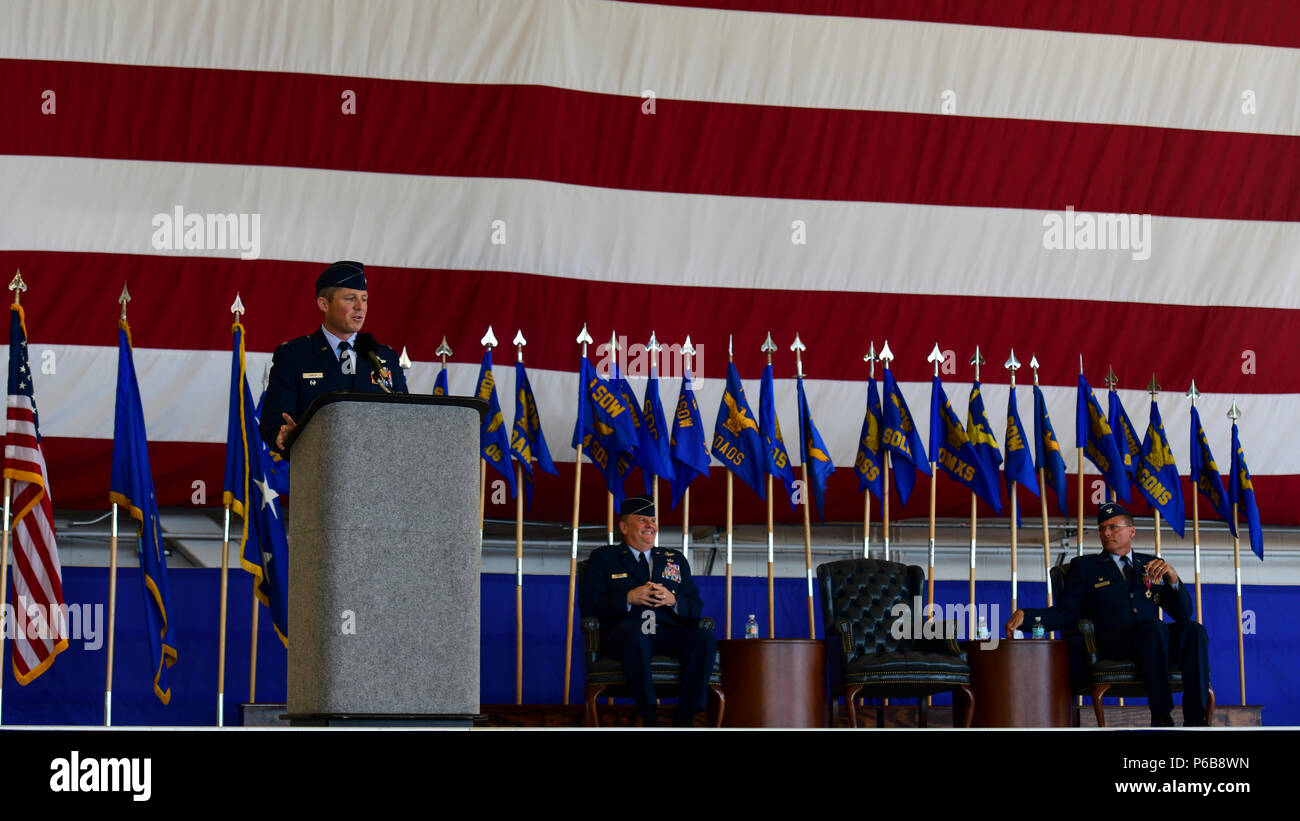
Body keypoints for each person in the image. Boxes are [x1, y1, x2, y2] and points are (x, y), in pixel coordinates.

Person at [1004, 502, 1211, 726]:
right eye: (1102, 528)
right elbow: (1066, 612)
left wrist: (1172, 578)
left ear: (1131, 531)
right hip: (1118, 644)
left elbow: (1183, 613)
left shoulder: (1150, 564)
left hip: (1155, 641)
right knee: (1154, 628)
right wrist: (1028, 616)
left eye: (1113, 527)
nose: (1106, 533)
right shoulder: (1086, 567)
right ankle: (1161, 717)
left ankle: (1196, 720)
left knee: (1193, 630)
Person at [580, 496, 717, 727]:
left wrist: (674, 601)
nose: (650, 525)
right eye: (642, 519)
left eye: (653, 520)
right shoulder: (605, 558)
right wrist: (627, 598)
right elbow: (589, 603)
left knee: (704, 638)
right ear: (624, 527)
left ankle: (687, 717)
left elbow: (695, 606)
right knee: (636, 636)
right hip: (625, 634)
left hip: (667, 633)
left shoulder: (675, 559)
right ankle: (650, 716)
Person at [259, 260, 408, 454]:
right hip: (316, 470)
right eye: (350, 298)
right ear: (323, 304)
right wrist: (282, 434)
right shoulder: (294, 356)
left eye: (364, 299)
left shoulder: (384, 357)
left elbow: (405, 419)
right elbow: (273, 421)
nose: (359, 307)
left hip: (377, 473)